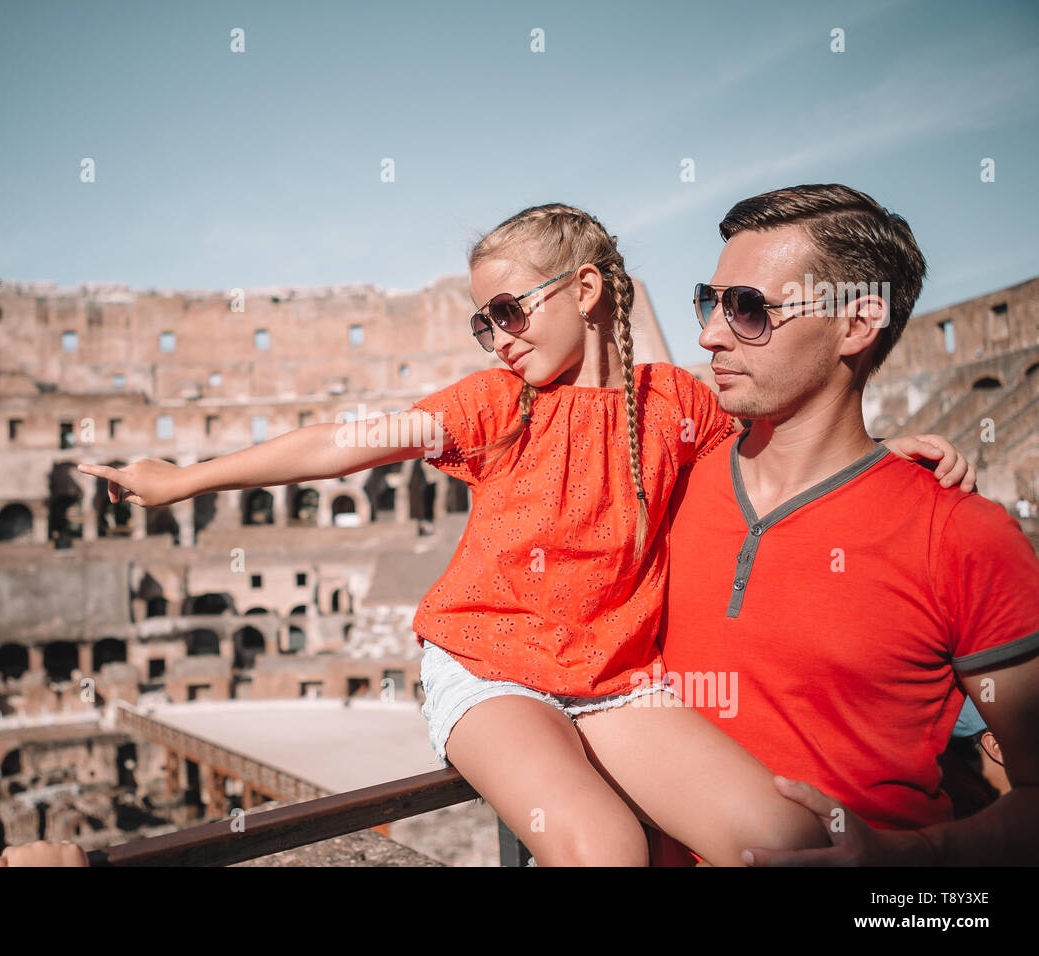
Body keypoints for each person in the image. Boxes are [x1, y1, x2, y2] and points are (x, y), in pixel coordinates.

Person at [60, 203, 972, 867]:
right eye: (480, 320)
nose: (494, 338)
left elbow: (794, 441)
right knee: (605, 850)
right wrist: (184, 480)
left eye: (508, 312)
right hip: (489, 667)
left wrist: (888, 454)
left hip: (614, 680)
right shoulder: (492, 407)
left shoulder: (682, 404)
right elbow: (343, 442)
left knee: (783, 841)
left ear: (583, 290)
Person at [658, 184, 1039, 865]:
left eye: (748, 308)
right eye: (708, 301)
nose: (710, 333)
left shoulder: (963, 535)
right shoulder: (669, 484)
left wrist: (907, 857)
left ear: (858, 324)